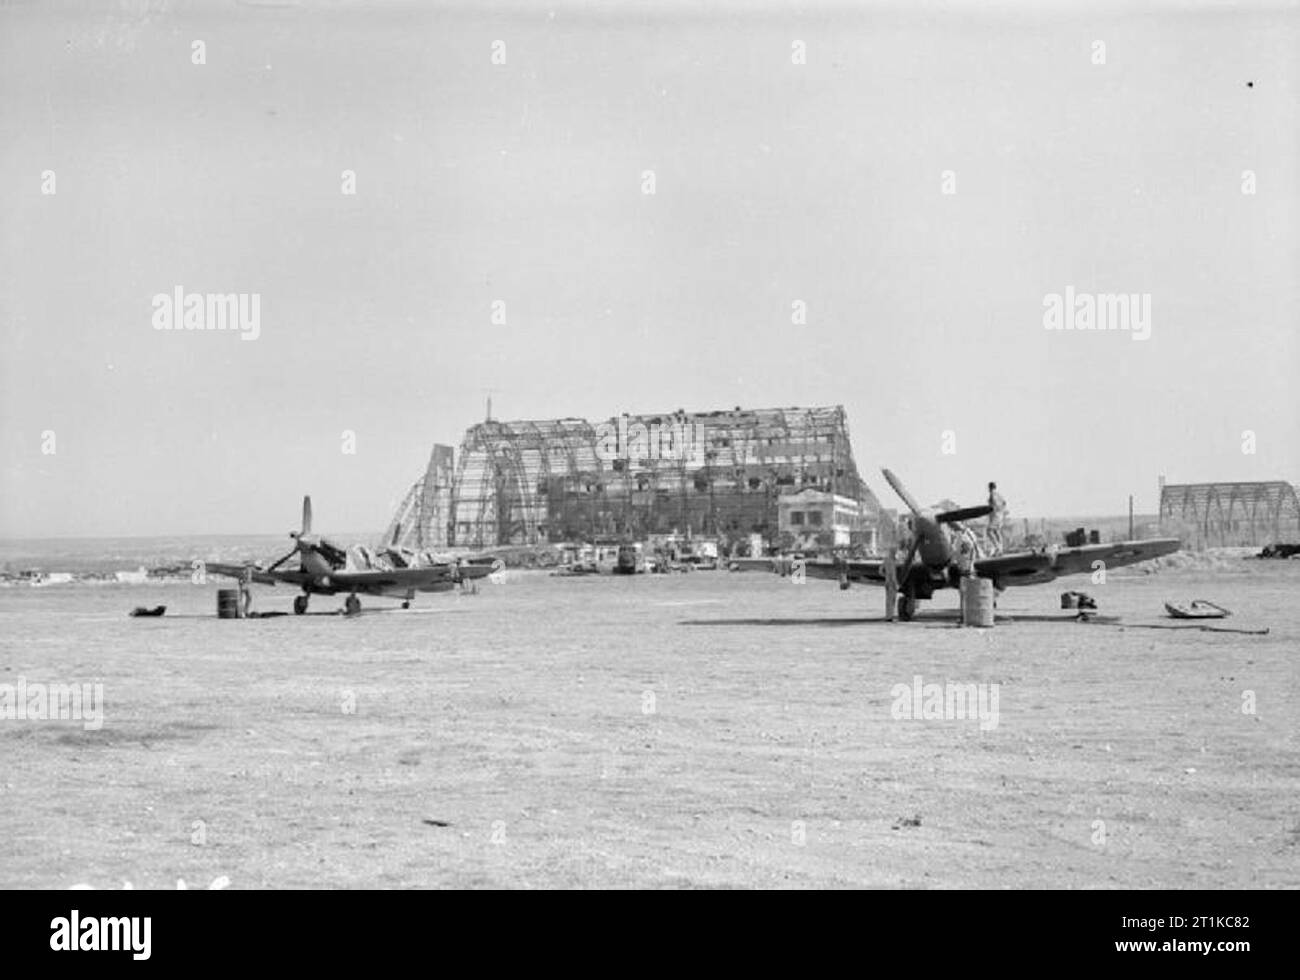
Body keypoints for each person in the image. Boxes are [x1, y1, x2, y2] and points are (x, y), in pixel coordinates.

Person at [986, 482, 1007, 555]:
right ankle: (1000, 548)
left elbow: (994, 502)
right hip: (1000, 515)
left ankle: (997, 547)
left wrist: (994, 508)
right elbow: (1004, 503)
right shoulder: (1000, 495)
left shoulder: (992, 494)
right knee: (997, 531)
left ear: (990, 487)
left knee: (989, 531)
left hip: (995, 515)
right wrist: (1002, 510)